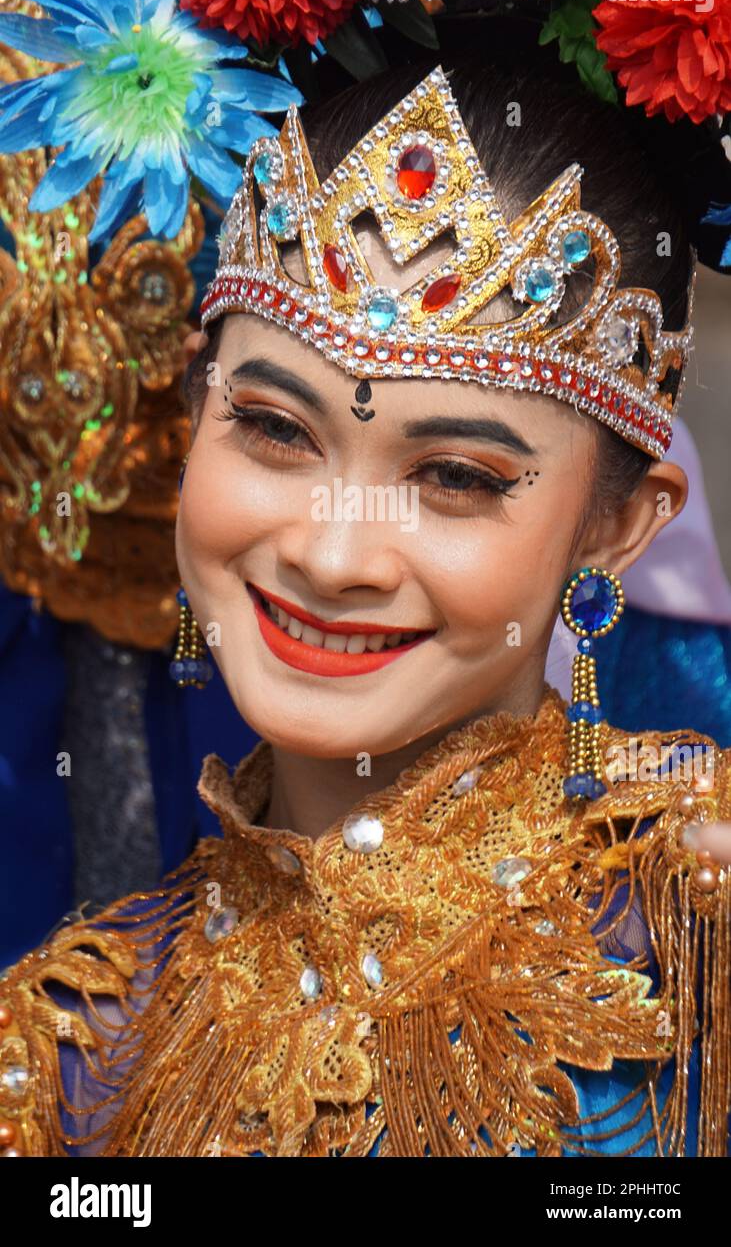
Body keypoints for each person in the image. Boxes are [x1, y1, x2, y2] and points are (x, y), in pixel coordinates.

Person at [0, 57, 728, 1159]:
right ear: (196, 405)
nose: (332, 554)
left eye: (457, 478)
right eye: (275, 430)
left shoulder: (697, 922)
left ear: (617, 529)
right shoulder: (59, 1049)